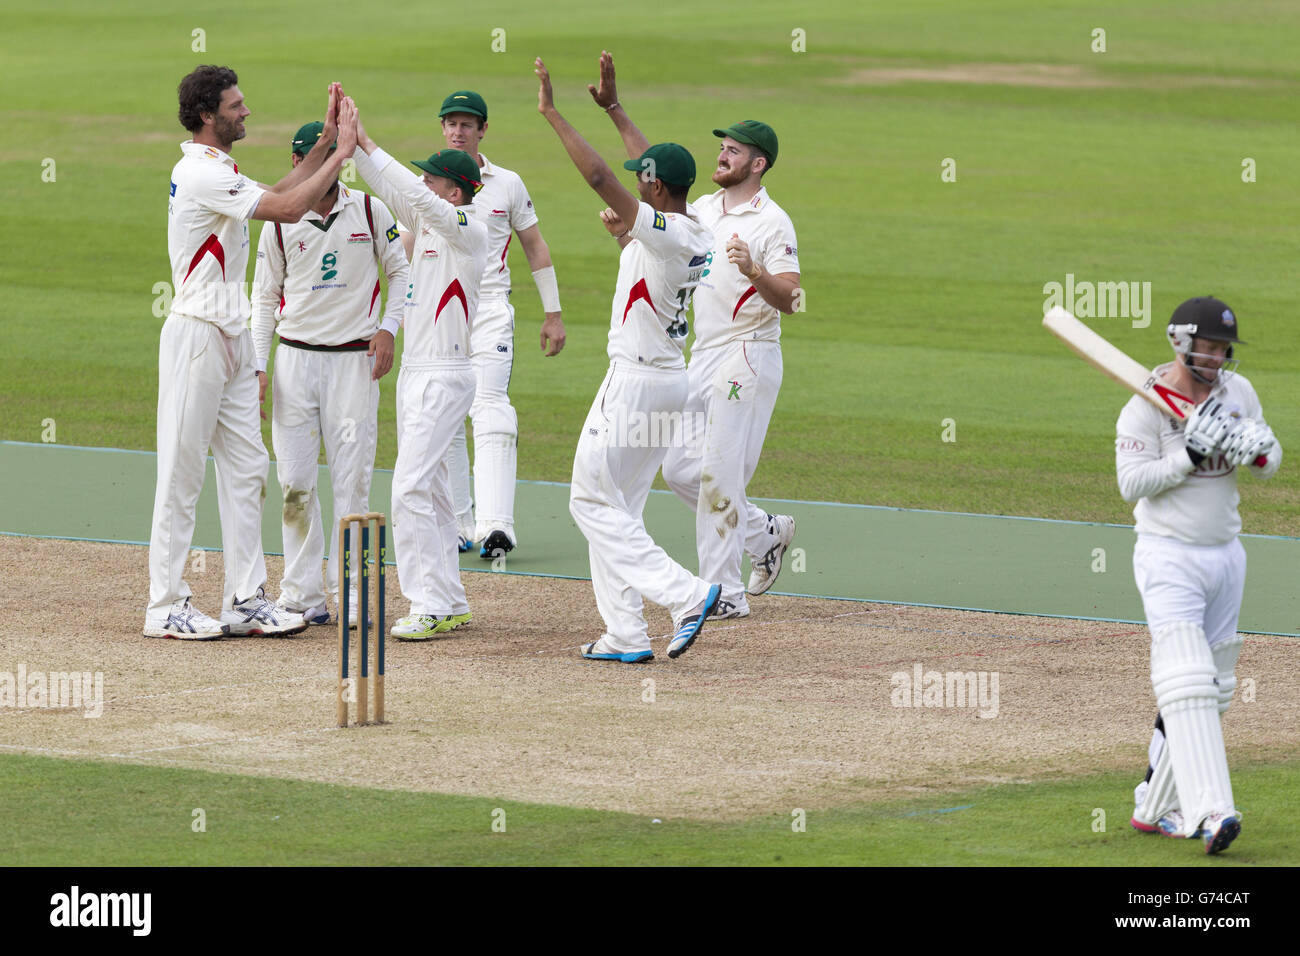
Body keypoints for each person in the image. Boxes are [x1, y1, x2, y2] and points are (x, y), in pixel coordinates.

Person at [587, 52, 801, 617]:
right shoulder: (702, 207)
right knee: (680, 470)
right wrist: (614, 109)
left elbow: (795, 299)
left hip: (748, 354)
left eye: (733, 151)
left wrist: (756, 271)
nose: (721, 155)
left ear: (758, 164)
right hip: (699, 355)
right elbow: (653, 167)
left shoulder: (773, 222)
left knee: (717, 474)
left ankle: (725, 594)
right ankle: (765, 534)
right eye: (722, 147)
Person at [146, 67, 356, 639]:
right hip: (197, 334)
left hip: (233, 336)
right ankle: (165, 604)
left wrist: (321, 146)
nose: (246, 112)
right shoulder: (197, 173)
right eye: (236, 106)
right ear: (208, 115)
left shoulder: (219, 169)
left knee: (246, 473)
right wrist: (340, 156)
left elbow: (282, 193)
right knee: (181, 474)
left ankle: (243, 597)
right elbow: (289, 211)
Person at [534, 57, 721, 663]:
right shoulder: (692, 226)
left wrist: (553, 114)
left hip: (637, 382)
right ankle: (625, 633)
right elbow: (650, 163)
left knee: (588, 501)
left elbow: (596, 177)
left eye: (643, 181)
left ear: (658, 190)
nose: (635, 184)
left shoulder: (664, 232)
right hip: (668, 382)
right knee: (617, 508)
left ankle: (688, 596)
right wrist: (614, 109)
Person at [1120, 296, 1281, 854]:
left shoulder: (1239, 393)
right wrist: (1188, 454)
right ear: (1180, 342)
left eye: (1222, 348)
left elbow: (1268, 452)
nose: (1215, 357)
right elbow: (1131, 484)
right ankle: (1213, 813)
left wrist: (1260, 453)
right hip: (1168, 555)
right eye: (1207, 346)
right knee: (1186, 677)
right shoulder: (1144, 406)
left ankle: (1154, 804)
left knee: (1211, 688)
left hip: (1226, 552)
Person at [250, 121, 409, 627]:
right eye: (306, 162)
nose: (315, 169)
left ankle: (357, 598)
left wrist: (388, 329)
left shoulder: (367, 209)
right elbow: (262, 299)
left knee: (352, 484)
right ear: (297, 164)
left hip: (353, 363)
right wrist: (258, 364)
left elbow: (401, 271)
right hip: (294, 361)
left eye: (325, 161)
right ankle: (301, 595)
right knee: (295, 483)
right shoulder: (278, 222)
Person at [349, 97, 489, 641]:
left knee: (407, 488)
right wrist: (354, 145)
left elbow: (411, 194)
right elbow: (396, 191)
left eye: (432, 180)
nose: (424, 185)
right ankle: (449, 599)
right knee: (428, 490)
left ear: (453, 192)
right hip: (417, 372)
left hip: (446, 373)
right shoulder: (431, 224)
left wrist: (368, 144)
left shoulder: (467, 229)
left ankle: (426, 602)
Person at [430, 91, 567, 559]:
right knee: (445, 411)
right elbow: (404, 246)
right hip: (440, 311)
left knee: (490, 408)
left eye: (467, 123)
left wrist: (553, 313)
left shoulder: (506, 183)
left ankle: (496, 526)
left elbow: (534, 245)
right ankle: (459, 524)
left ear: (483, 129)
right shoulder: (427, 182)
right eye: (451, 122)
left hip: (488, 306)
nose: (458, 130)